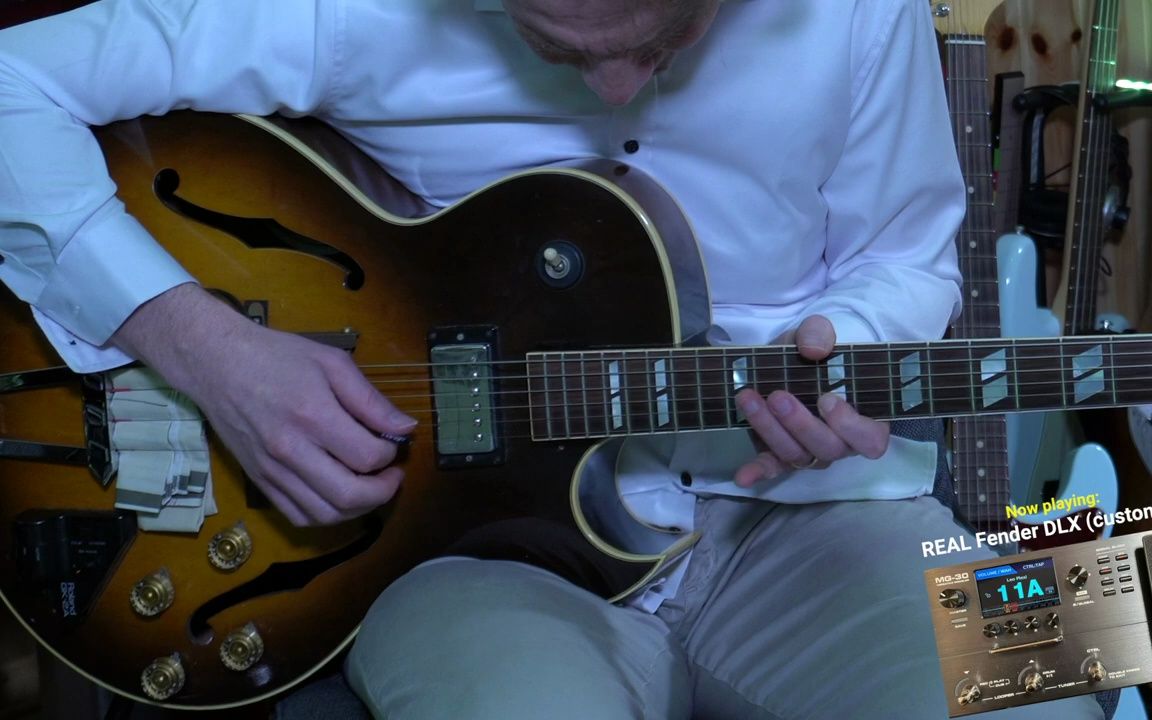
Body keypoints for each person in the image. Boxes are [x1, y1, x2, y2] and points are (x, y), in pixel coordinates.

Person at [0, 1, 1108, 718]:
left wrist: (843, 347)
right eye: (560, 46)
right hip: (462, 549)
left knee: (1071, 658)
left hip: (823, 512)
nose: (618, 90)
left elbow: (907, 254)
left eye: (666, 39)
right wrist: (203, 348)